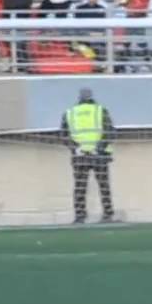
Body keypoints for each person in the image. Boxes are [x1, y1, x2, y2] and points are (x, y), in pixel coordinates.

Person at [59, 88, 116, 225]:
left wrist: (75, 148)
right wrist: (99, 148)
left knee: (80, 187)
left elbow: (63, 135)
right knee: (104, 186)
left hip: (80, 157)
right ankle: (107, 214)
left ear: (79, 98)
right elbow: (110, 132)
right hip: (99, 156)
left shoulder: (70, 113)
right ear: (91, 98)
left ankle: (80, 216)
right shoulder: (100, 111)